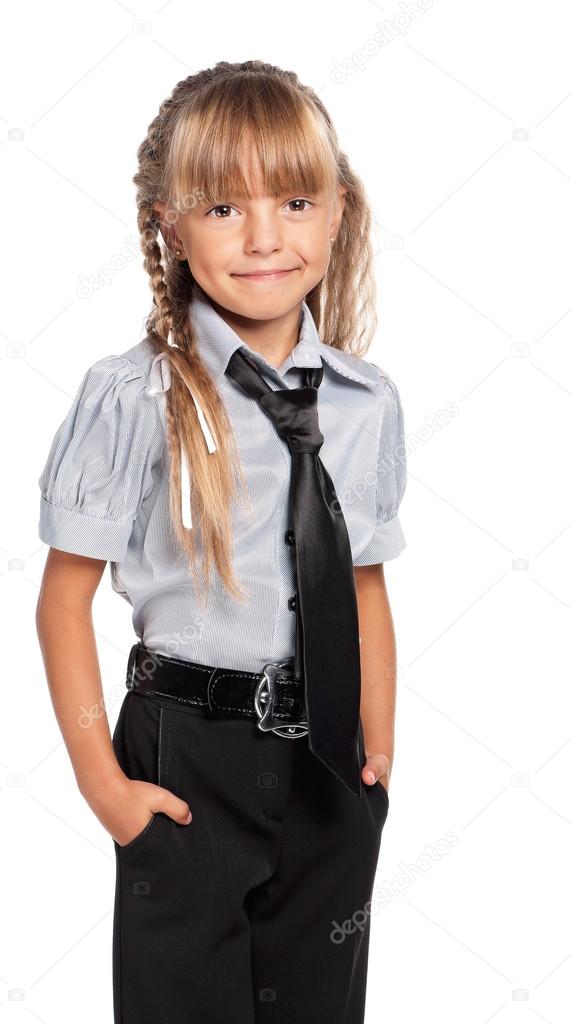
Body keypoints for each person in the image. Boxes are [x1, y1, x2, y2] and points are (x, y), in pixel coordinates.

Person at [35, 59, 407, 1023]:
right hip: (186, 757)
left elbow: (363, 585)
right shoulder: (133, 397)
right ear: (169, 222)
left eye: (293, 199)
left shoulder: (366, 404)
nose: (266, 238)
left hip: (329, 764)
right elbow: (62, 599)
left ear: (337, 211)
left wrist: (376, 754)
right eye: (223, 209)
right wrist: (105, 789)